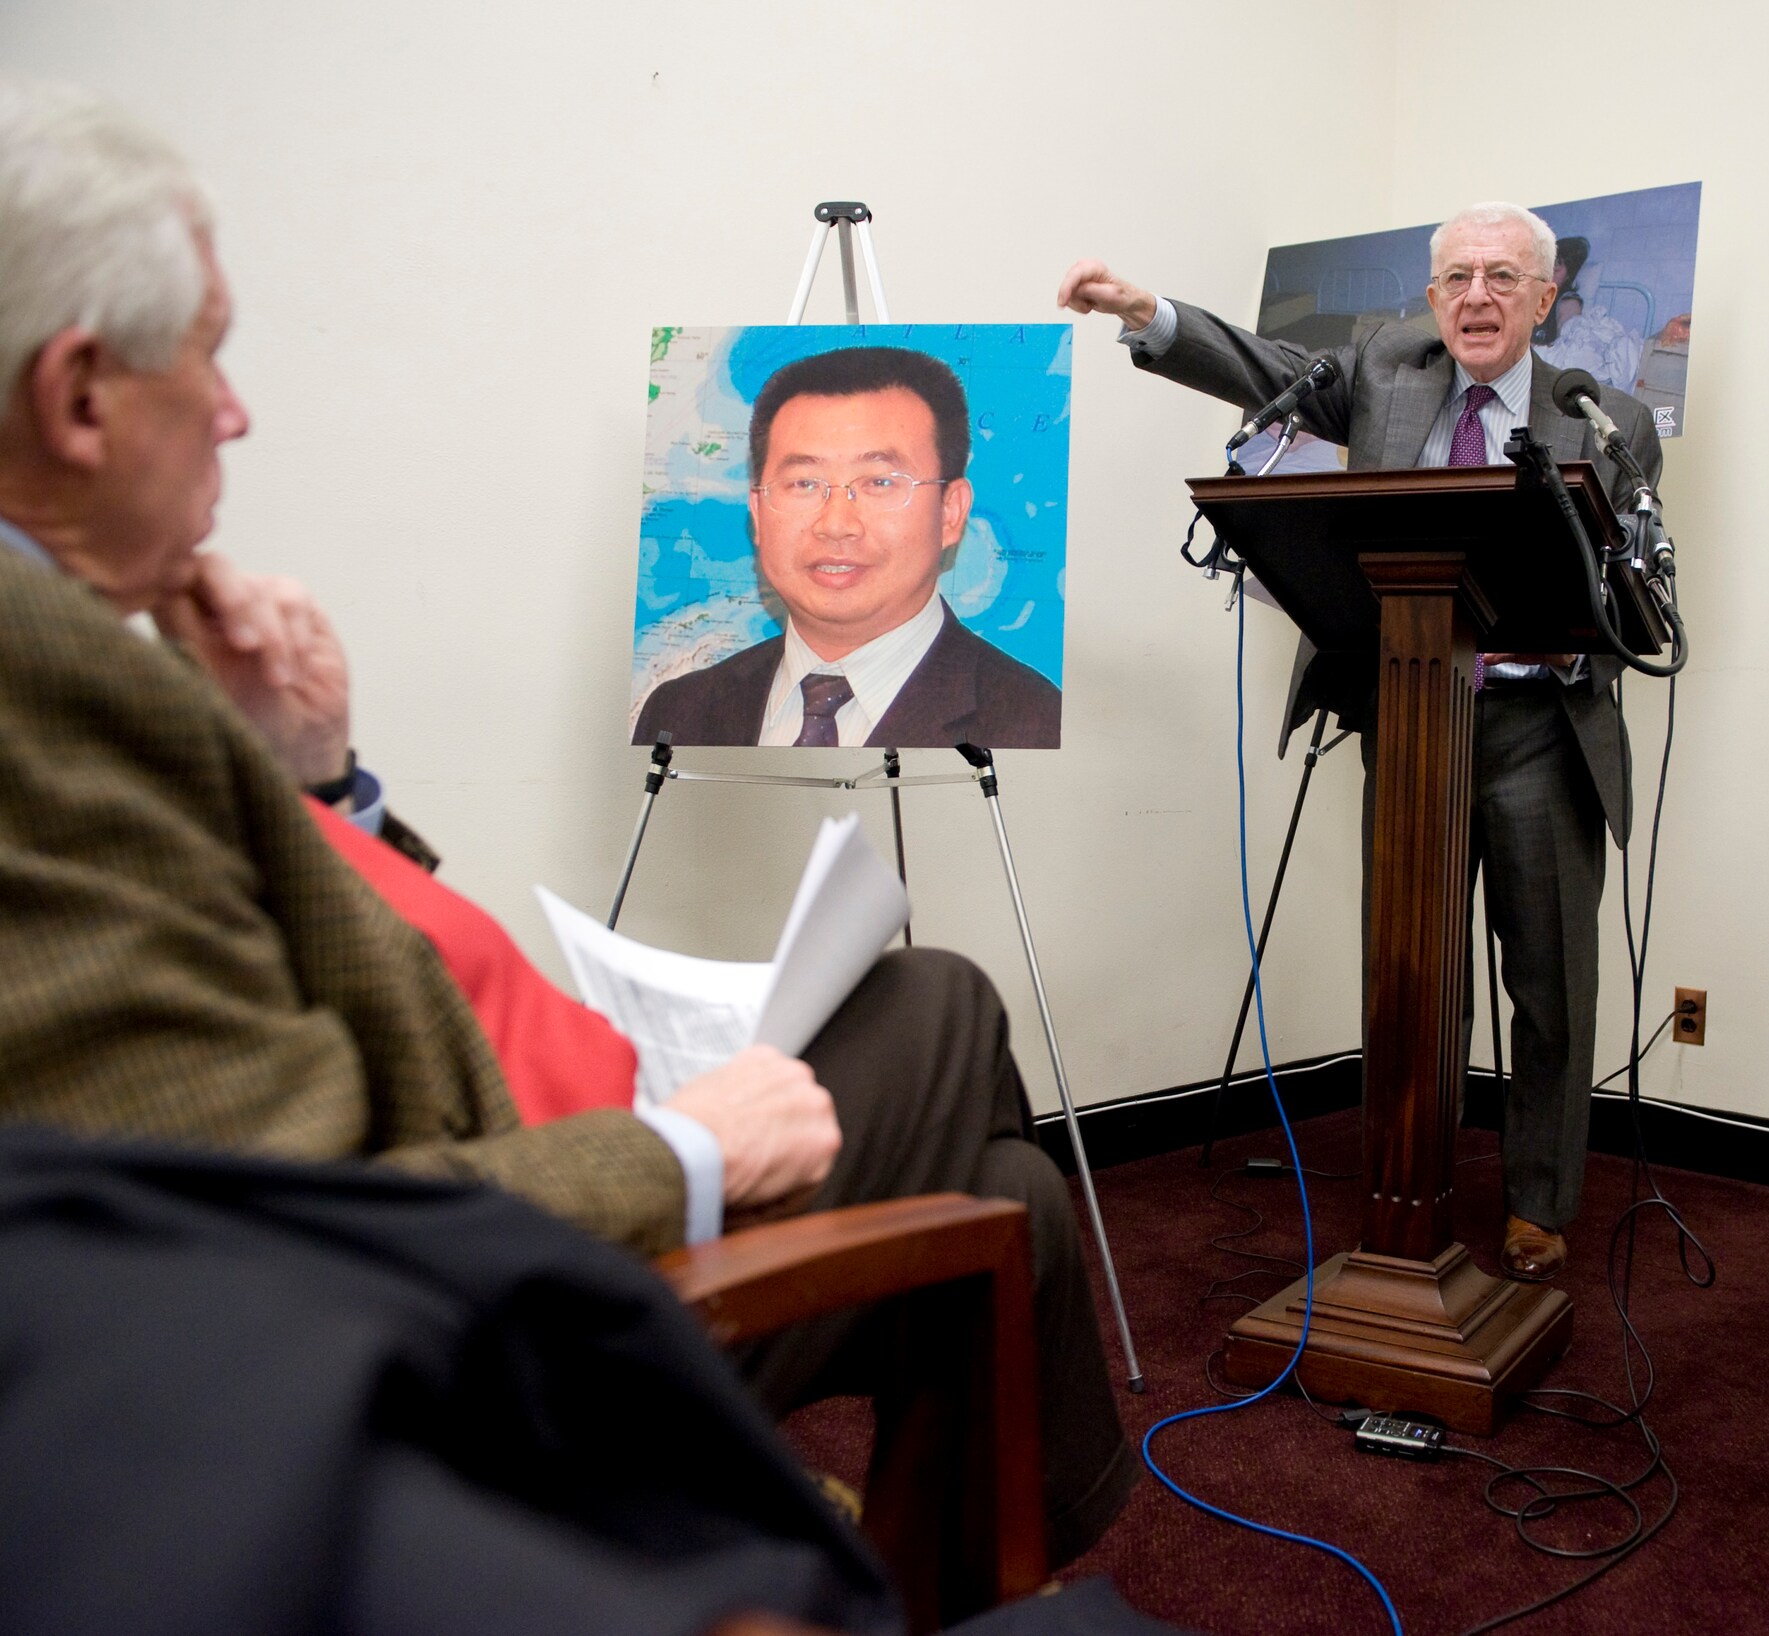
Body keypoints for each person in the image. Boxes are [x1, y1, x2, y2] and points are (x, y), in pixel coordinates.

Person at [0, 80, 1132, 1565]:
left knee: (1009, 1187)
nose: (237, 409)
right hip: (475, 1317)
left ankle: (939, 1566)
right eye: (208, 353)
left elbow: (272, 966)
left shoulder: (91, 649)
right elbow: (276, 1227)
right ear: (80, 397)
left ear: (952, 508)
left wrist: (320, 780)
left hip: (501, 1139)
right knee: (950, 1020)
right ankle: (906, 1546)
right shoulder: (47, 685)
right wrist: (681, 1151)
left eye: (880, 479)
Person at [1058, 201, 1665, 1281]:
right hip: (1413, 713)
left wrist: (1581, 639)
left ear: (1543, 298)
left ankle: (1539, 1203)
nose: (1475, 297)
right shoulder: (1386, 370)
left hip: (1540, 728)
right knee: (1410, 977)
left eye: (1501, 277)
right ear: (1430, 297)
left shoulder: (1603, 413)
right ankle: (1408, 1185)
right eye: (1456, 278)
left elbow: (1635, 590)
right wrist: (1150, 315)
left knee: (1551, 986)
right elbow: (1267, 367)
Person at [632, 348, 1063, 749]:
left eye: (880, 482)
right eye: (804, 483)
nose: (836, 525)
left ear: (950, 512)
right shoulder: (679, 712)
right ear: (758, 513)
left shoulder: (1036, 726)